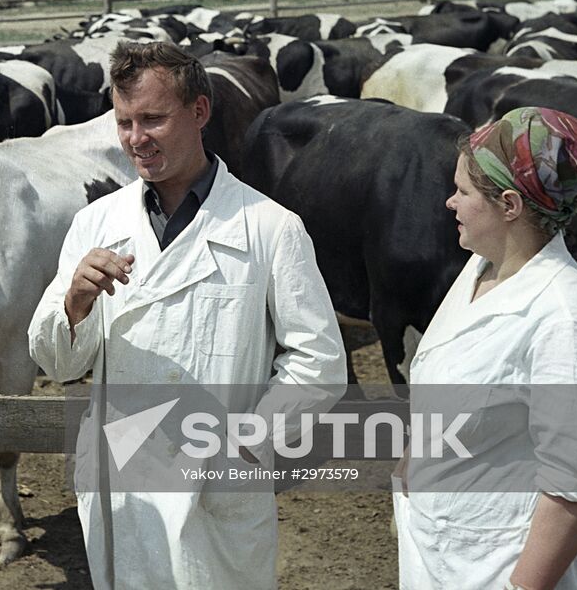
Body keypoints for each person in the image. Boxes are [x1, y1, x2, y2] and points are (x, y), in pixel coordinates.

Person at [29, 41, 347, 590]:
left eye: (152, 119)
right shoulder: (96, 223)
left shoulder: (269, 228)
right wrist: (74, 304)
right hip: (123, 486)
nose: (135, 139)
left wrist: (251, 439)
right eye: (124, 122)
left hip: (214, 489)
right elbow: (56, 363)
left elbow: (318, 362)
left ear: (200, 112)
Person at [394, 106, 577, 590]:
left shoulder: (568, 323)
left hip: (500, 566)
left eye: (462, 191)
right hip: (447, 549)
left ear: (510, 205)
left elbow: (572, 492)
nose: (449, 204)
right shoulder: (483, 268)